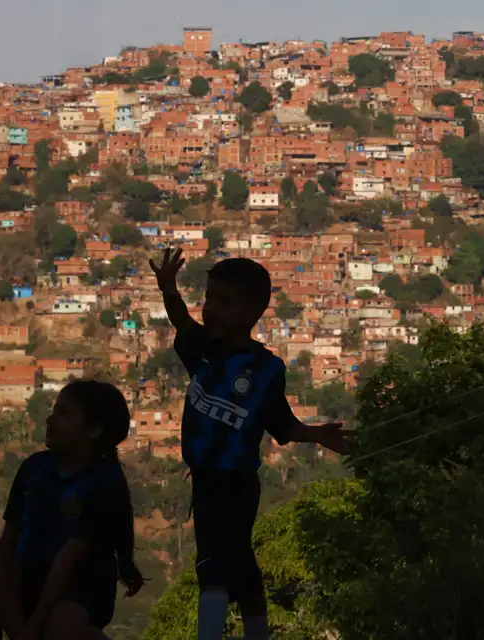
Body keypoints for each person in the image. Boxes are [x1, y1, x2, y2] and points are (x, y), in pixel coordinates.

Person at [149, 248, 355, 640]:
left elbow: (280, 422)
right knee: (240, 564)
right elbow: (182, 323)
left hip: (235, 483)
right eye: (209, 298)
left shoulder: (265, 370)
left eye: (223, 301)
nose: (210, 309)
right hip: (207, 479)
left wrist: (317, 434)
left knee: (212, 564)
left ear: (252, 311)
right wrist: (169, 290)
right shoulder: (204, 351)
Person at [0, 380, 144, 640]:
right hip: (27, 578)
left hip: (79, 592)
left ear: (93, 430)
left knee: (62, 625)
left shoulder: (103, 483)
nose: (50, 420)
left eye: (63, 414)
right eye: (55, 411)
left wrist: (35, 622)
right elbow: (10, 537)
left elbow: (68, 560)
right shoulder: (34, 468)